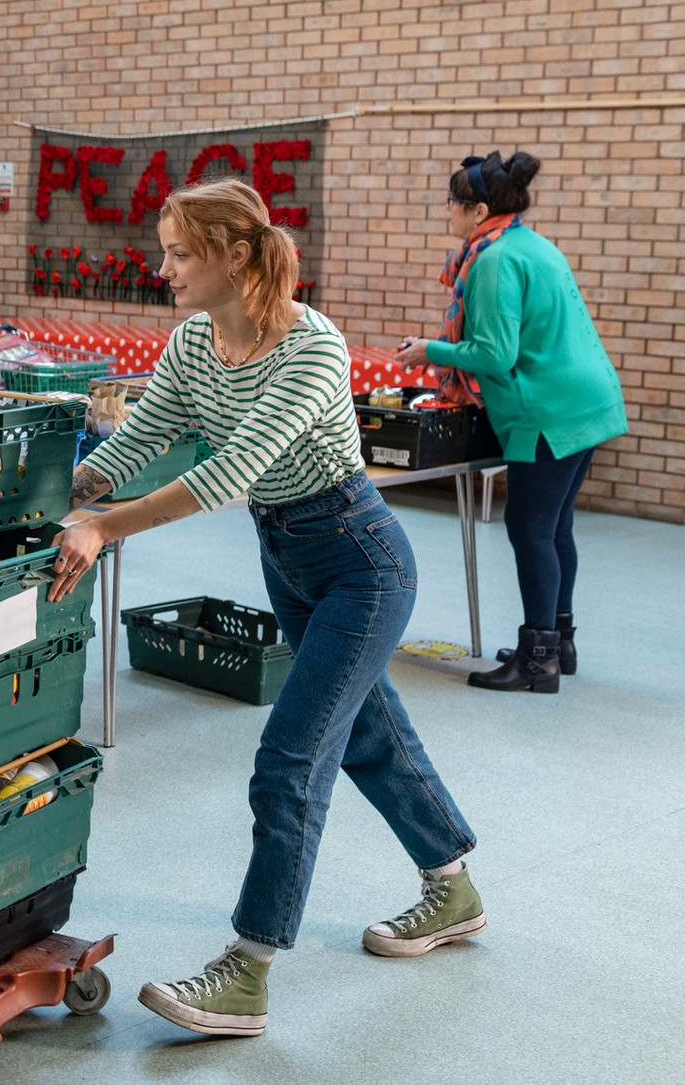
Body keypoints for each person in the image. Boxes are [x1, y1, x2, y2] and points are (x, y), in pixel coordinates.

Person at [53, 180, 481, 1039]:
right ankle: (454, 885)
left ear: (236, 255)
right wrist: (75, 481)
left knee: (291, 757)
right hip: (286, 555)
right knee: (364, 730)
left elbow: (224, 474)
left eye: (179, 253)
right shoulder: (194, 343)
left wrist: (105, 525)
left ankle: (247, 970)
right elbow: (149, 435)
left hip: (361, 560)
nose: (163, 268)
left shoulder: (312, 347)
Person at [396, 151, 625, 693]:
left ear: (477, 211)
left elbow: (496, 355)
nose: (447, 211)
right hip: (585, 402)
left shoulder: (495, 261)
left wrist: (428, 349)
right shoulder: (533, 243)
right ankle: (557, 643)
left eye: (452, 203)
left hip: (547, 412)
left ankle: (537, 660)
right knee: (554, 527)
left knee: (528, 528)